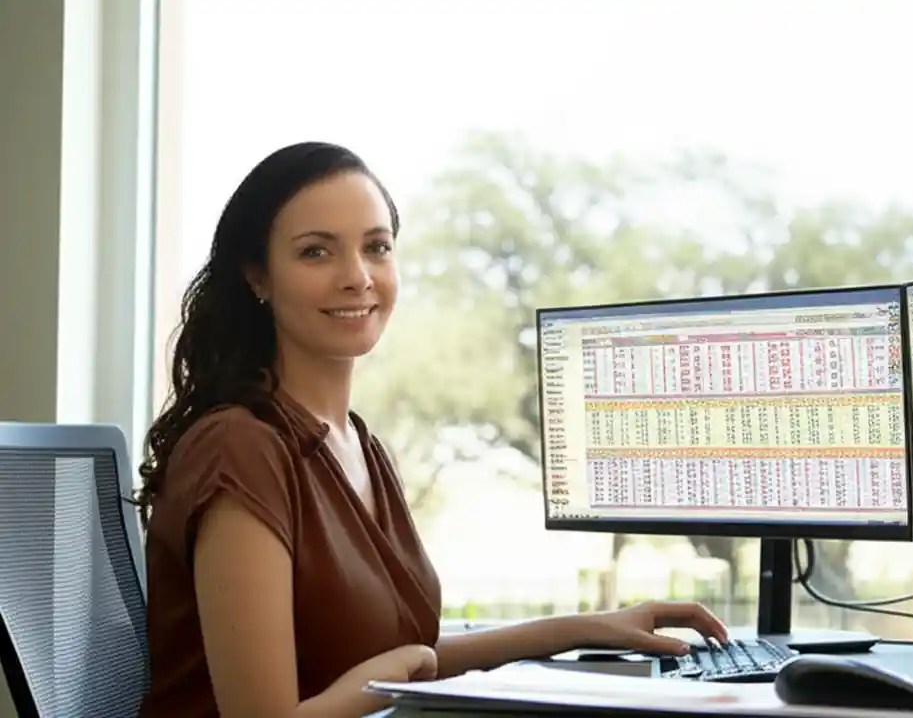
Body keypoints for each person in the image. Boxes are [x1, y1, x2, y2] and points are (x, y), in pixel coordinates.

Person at [135, 141, 729, 717]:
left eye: (377, 247)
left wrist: (589, 629)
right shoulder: (240, 446)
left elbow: (410, 657)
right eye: (316, 252)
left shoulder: (358, 444)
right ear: (257, 278)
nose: (357, 277)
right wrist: (395, 672)